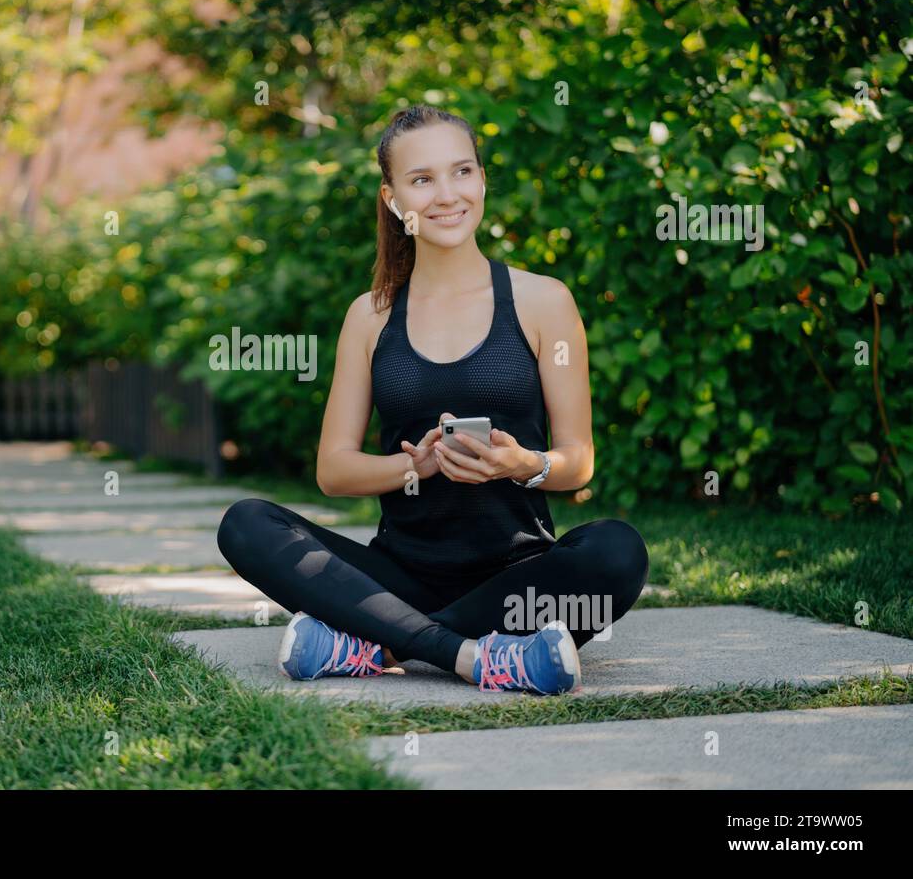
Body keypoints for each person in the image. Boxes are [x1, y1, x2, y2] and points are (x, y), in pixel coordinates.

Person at [216, 104, 650, 695]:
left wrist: (523, 465)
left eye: (462, 171)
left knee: (617, 551)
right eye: (422, 179)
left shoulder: (544, 301)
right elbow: (334, 470)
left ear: (481, 180)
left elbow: (577, 462)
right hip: (397, 575)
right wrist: (411, 467)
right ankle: (479, 658)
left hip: (517, 581)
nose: (447, 194)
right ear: (394, 199)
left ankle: (374, 642)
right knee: (245, 524)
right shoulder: (370, 316)